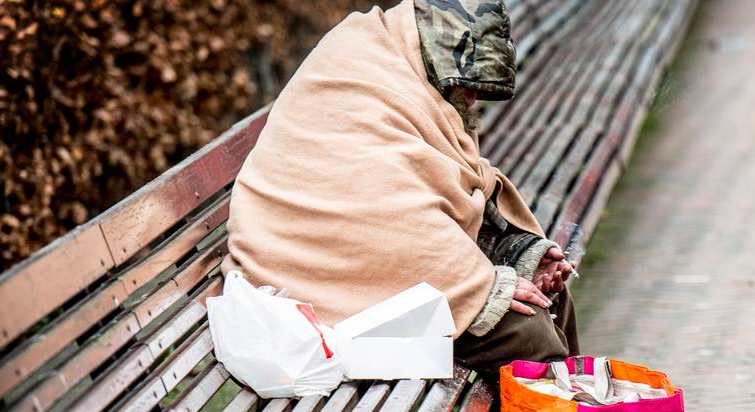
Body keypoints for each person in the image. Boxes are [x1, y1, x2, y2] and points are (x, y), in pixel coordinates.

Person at [222, 0, 578, 372]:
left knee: (553, 296)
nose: (472, 99)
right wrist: (483, 287)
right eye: (466, 85)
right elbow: (386, 218)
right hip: (309, 282)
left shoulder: (397, 61)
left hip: (362, 259)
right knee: (528, 334)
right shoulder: (360, 80)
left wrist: (519, 251)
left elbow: (435, 184)